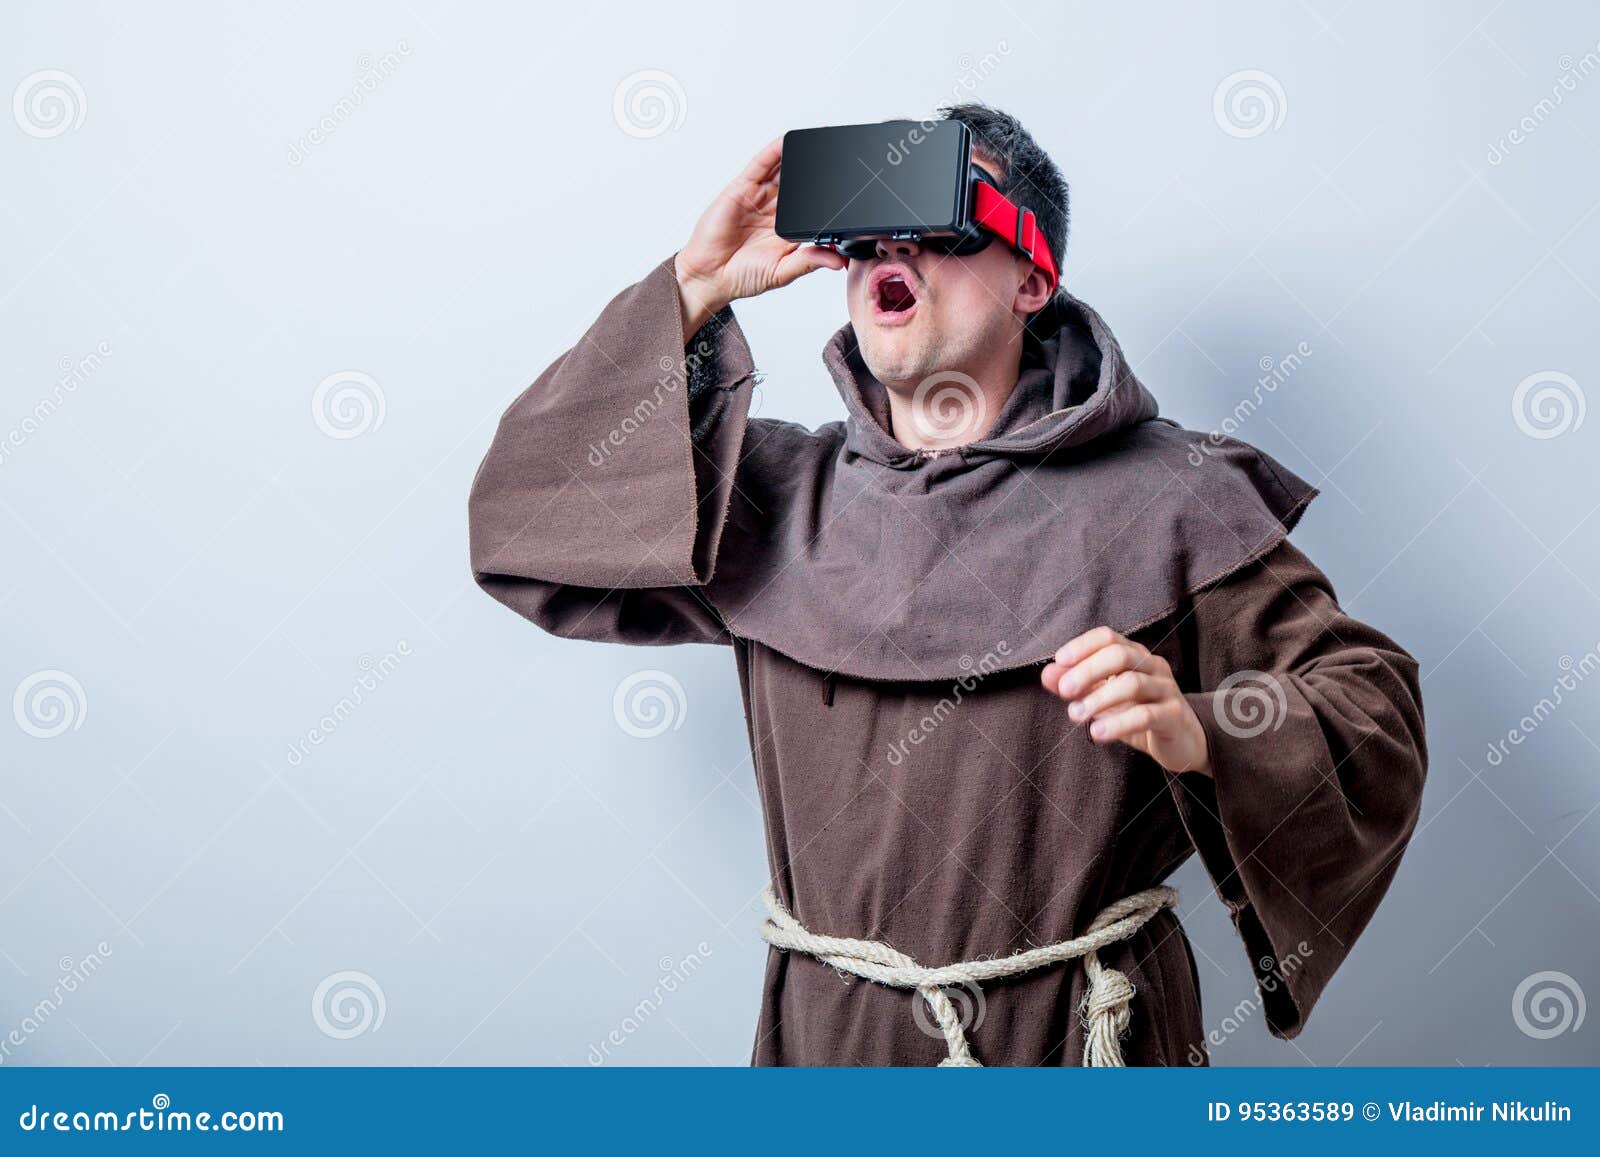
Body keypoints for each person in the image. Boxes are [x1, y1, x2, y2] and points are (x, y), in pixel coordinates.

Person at [467, 104, 1428, 1066]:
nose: (896, 251)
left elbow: (1371, 715)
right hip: (830, 1050)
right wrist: (691, 292)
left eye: (938, 226)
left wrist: (1206, 726)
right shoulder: (762, 497)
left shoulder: (1172, 500)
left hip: (1080, 1046)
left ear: (1032, 277)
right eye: (870, 232)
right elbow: (525, 525)